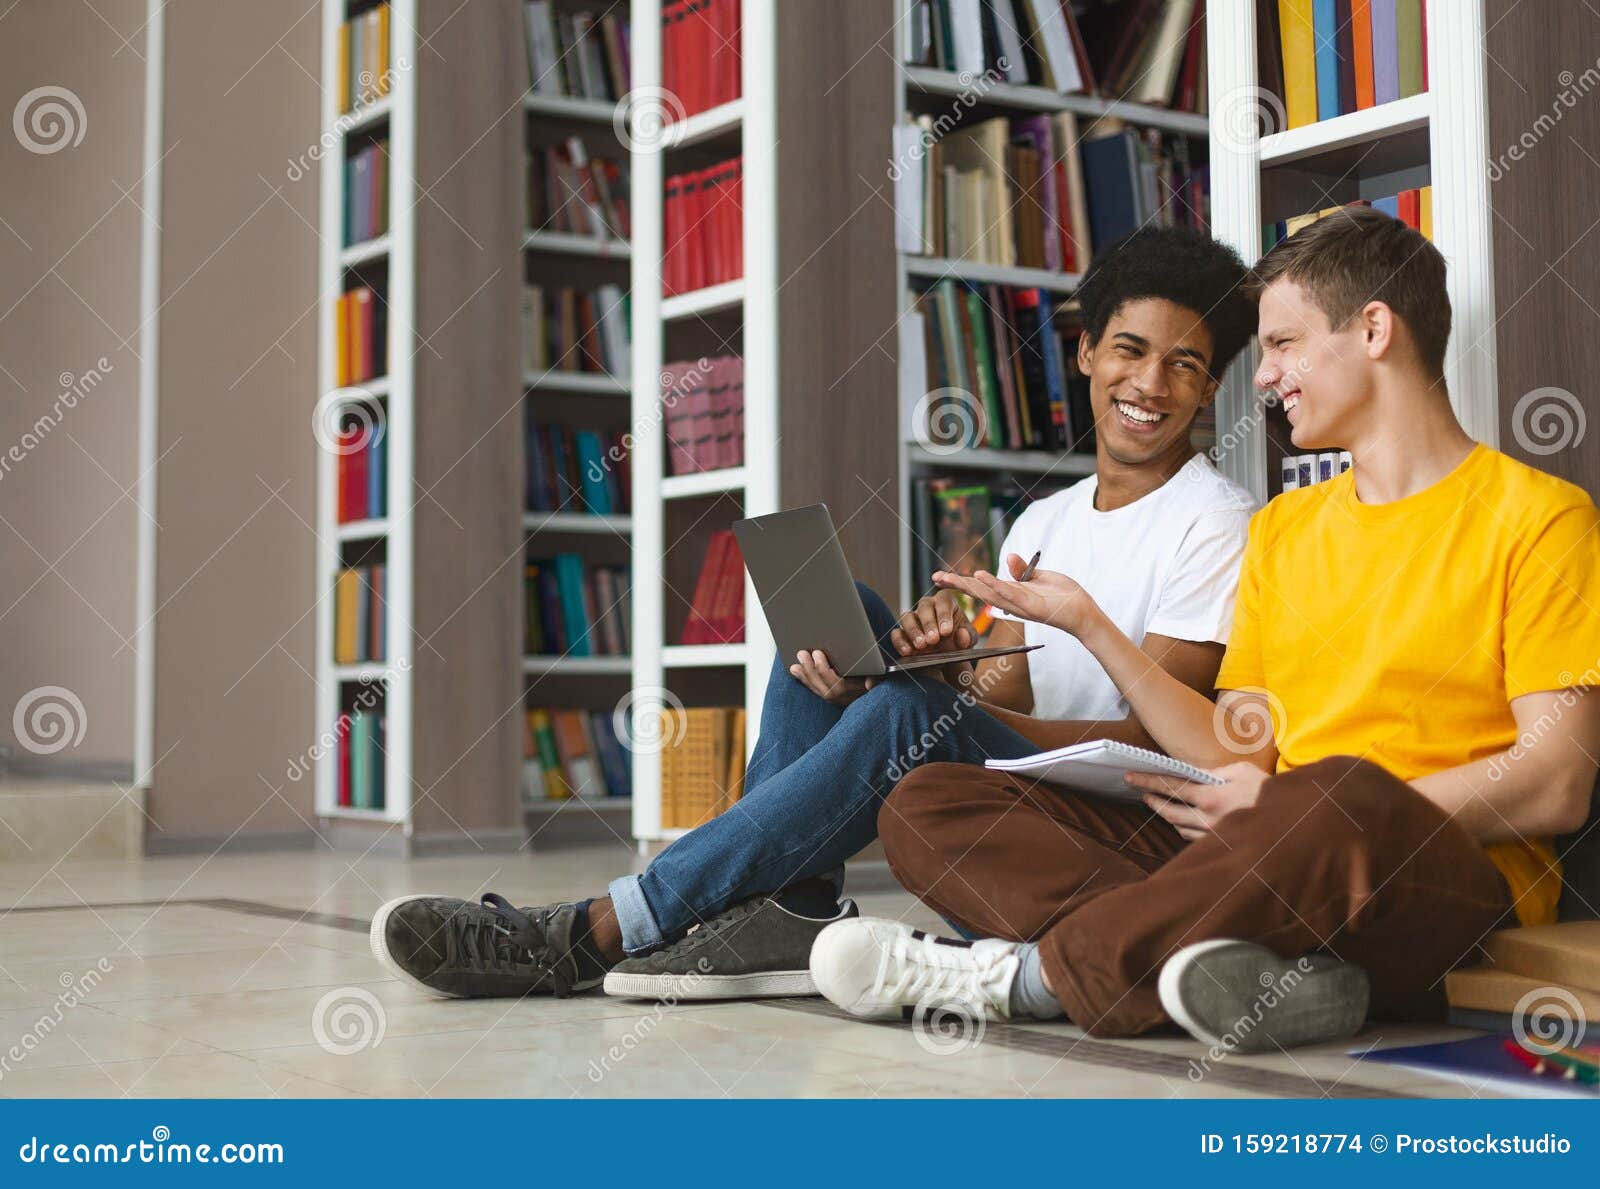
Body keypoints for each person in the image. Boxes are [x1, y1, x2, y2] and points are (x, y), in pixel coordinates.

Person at [370, 226, 1259, 1002]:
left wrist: (936, 711)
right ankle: (789, 907)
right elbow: (1013, 690)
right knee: (854, 620)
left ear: (1210, 385)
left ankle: (598, 928)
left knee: (907, 708)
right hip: (1027, 772)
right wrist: (951, 670)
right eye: (1130, 350)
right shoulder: (1046, 520)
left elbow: (1151, 740)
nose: (1151, 382)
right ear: (1088, 353)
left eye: (1184, 364)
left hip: (1116, 807)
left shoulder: (1214, 519)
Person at [810, 207, 1600, 1053]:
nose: (1264, 377)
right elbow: (1239, 752)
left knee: (1343, 792)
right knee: (930, 800)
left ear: (1374, 330)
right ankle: (1259, 972)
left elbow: (1556, 781)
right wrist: (1093, 627)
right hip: (1264, 851)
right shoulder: (1285, 531)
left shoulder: (1541, 518)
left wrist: (1293, 807)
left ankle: (1028, 978)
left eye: (1283, 344)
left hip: (1436, 881)